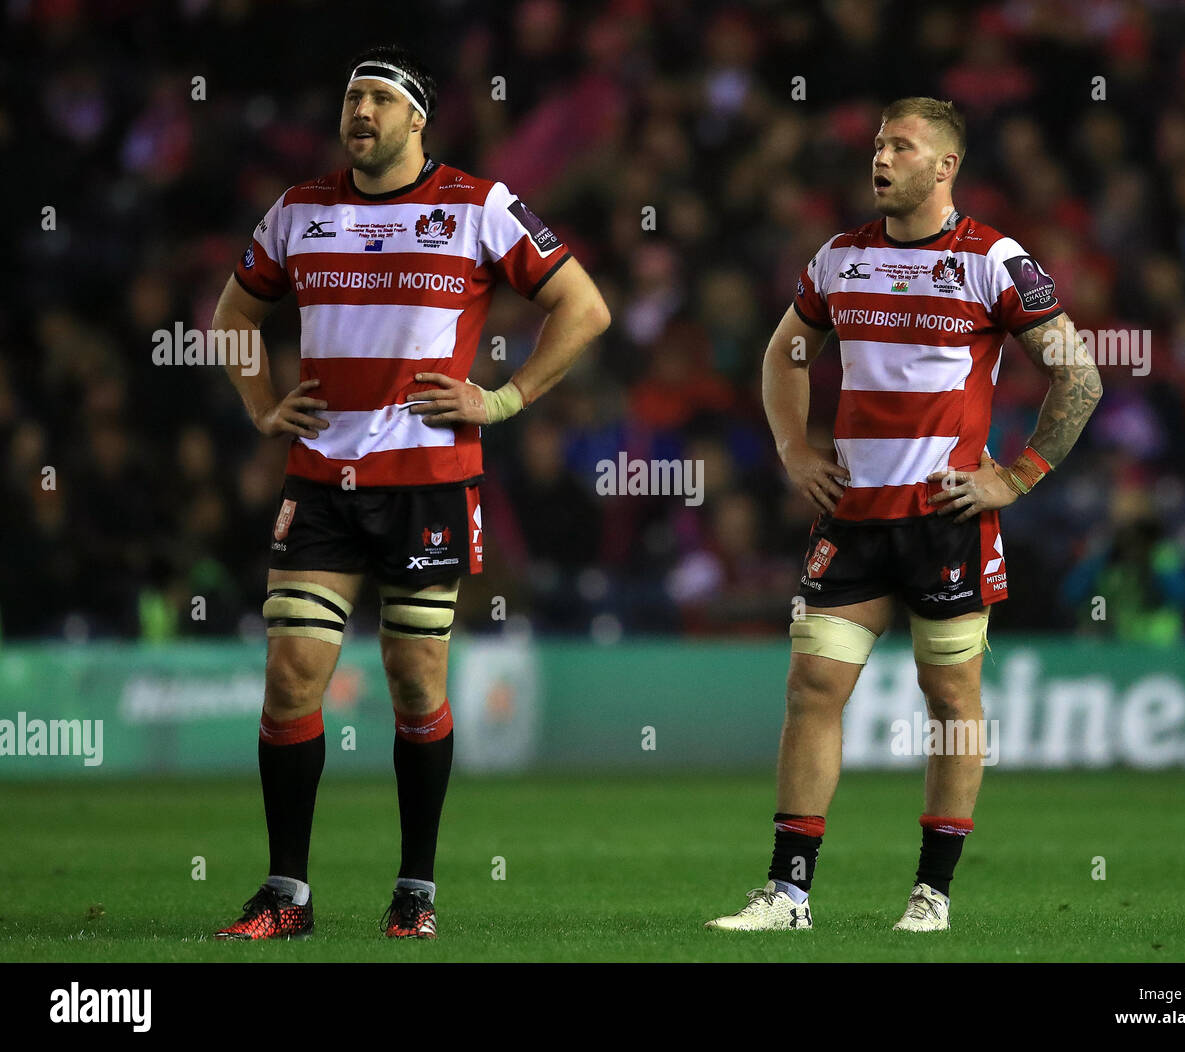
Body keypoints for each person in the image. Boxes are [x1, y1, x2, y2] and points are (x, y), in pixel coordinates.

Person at [211, 45, 609, 939]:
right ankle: (286, 895)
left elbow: (583, 306)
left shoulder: (477, 205)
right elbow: (233, 314)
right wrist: (262, 403)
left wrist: (503, 398)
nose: (360, 112)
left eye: (379, 99)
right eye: (351, 97)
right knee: (290, 678)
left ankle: (415, 892)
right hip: (320, 483)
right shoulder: (300, 210)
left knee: (414, 679)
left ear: (416, 119)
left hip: (427, 484)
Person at [706, 97, 1101, 933]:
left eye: (901, 147)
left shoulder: (994, 260)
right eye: (878, 145)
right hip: (852, 516)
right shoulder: (841, 258)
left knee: (952, 699)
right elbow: (786, 353)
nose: (880, 159)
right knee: (813, 687)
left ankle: (933, 895)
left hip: (945, 519)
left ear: (945, 166)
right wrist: (793, 451)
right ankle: (788, 893)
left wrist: (1018, 477)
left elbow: (1081, 375)